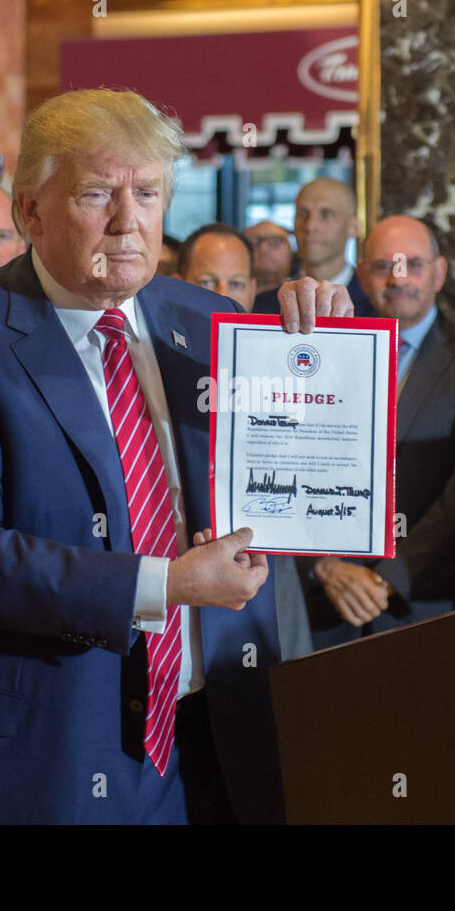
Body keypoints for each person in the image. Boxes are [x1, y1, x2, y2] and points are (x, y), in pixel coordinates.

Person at [0, 88, 351, 825]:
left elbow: (289, 484)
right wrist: (166, 583)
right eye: (97, 194)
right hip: (33, 758)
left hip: (208, 745)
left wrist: (332, 349)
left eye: (148, 193)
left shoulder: (213, 321)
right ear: (31, 212)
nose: (129, 222)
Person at [305, 216, 455, 648]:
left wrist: (388, 579)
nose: (398, 278)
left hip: (429, 604)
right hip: (325, 605)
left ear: (439, 272)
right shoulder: (319, 350)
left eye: (413, 264)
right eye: (383, 265)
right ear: (361, 274)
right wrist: (324, 565)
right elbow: (292, 462)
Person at [177, 223, 314, 662]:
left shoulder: (282, 359)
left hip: (268, 570)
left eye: (235, 283)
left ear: (255, 288)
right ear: (177, 284)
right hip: (174, 580)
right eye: (206, 282)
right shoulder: (153, 357)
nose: (221, 295)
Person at [294, 177, 375, 317]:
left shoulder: (375, 303)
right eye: (302, 214)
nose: (310, 226)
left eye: (326, 214)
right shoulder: (264, 305)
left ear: (353, 227)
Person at [245, 220, 296, 314]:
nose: (263, 248)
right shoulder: (227, 294)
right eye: (254, 242)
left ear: (291, 251)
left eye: (275, 242)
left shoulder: (300, 298)